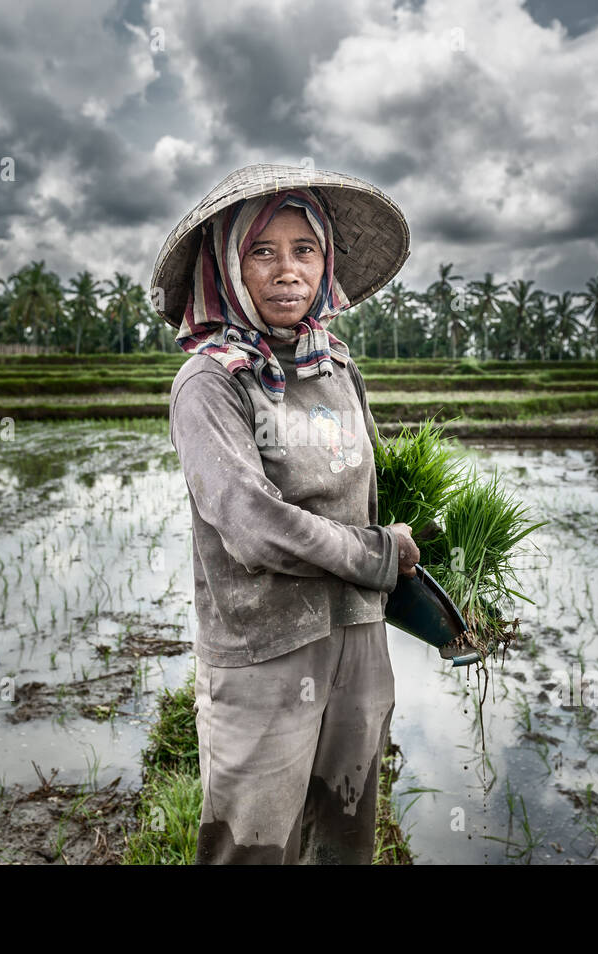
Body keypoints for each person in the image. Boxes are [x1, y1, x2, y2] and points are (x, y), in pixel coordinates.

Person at [149, 163, 418, 864]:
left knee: (345, 833)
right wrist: (378, 554)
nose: (286, 271)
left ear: (326, 262)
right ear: (228, 269)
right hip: (264, 651)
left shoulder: (337, 368)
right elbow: (252, 524)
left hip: (358, 644)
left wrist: (423, 572)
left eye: (305, 250)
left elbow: (368, 492)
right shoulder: (210, 382)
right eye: (261, 252)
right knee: (254, 845)